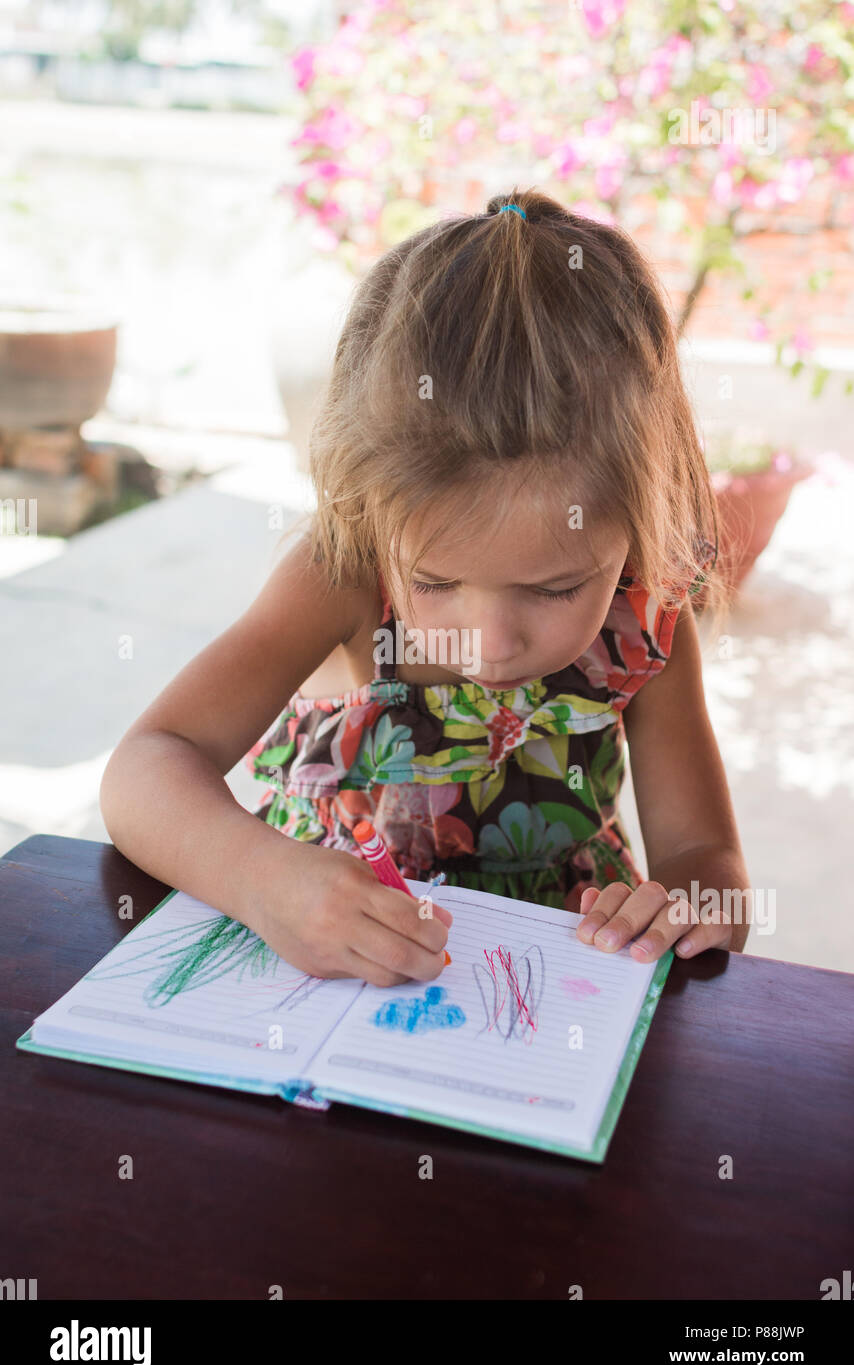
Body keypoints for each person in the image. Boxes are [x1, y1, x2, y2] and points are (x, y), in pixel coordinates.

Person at [101, 187, 751, 989]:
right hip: (324, 987)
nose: (490, 641)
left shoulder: (648, 619)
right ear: (373, 516)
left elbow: (705, 863)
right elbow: (144, 770)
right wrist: (265, 881)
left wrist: (691, 907)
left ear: (637, 521)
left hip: (553, 998)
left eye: (553, 589)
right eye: (437, 582)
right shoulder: (340, 578)